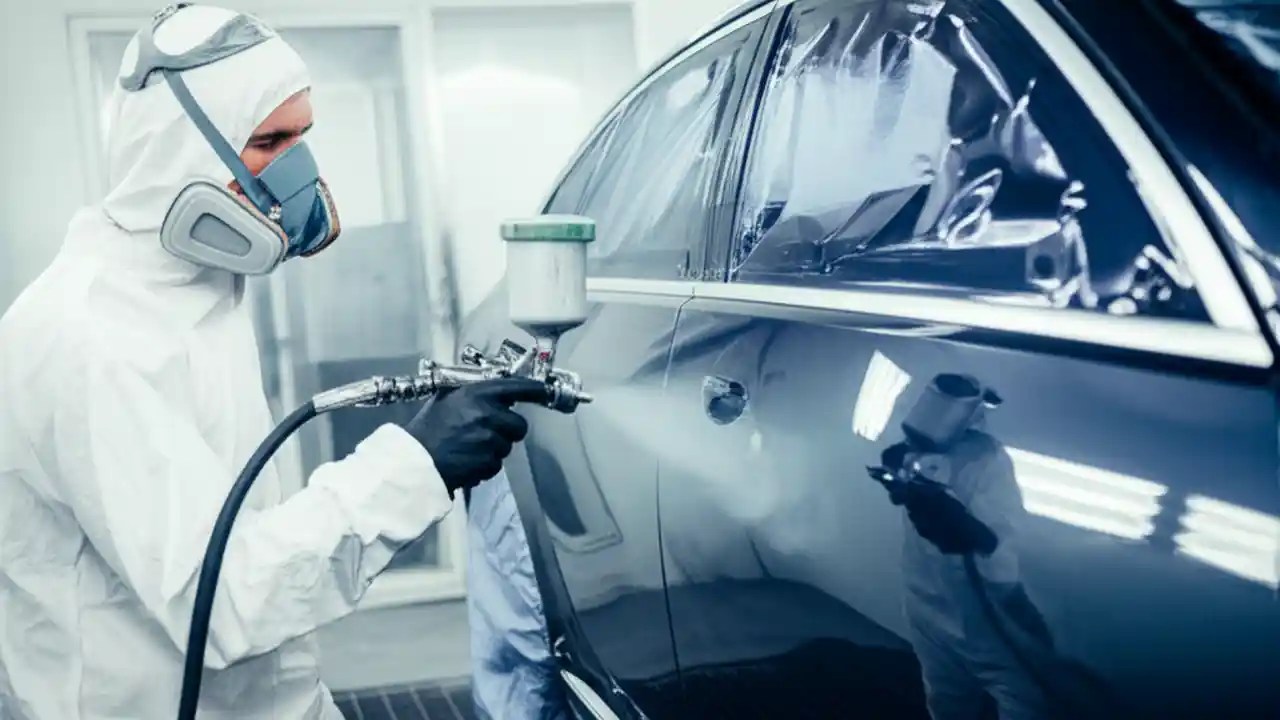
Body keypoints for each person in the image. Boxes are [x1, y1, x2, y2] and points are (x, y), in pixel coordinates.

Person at [0, 4, 545, 718]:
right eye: (270, 141)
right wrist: (416, 465)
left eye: (302, 137)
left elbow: (246, 539)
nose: (299, 172)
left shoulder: (198, 290)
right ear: (180, 155)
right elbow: (219, 599)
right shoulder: (87, 338)